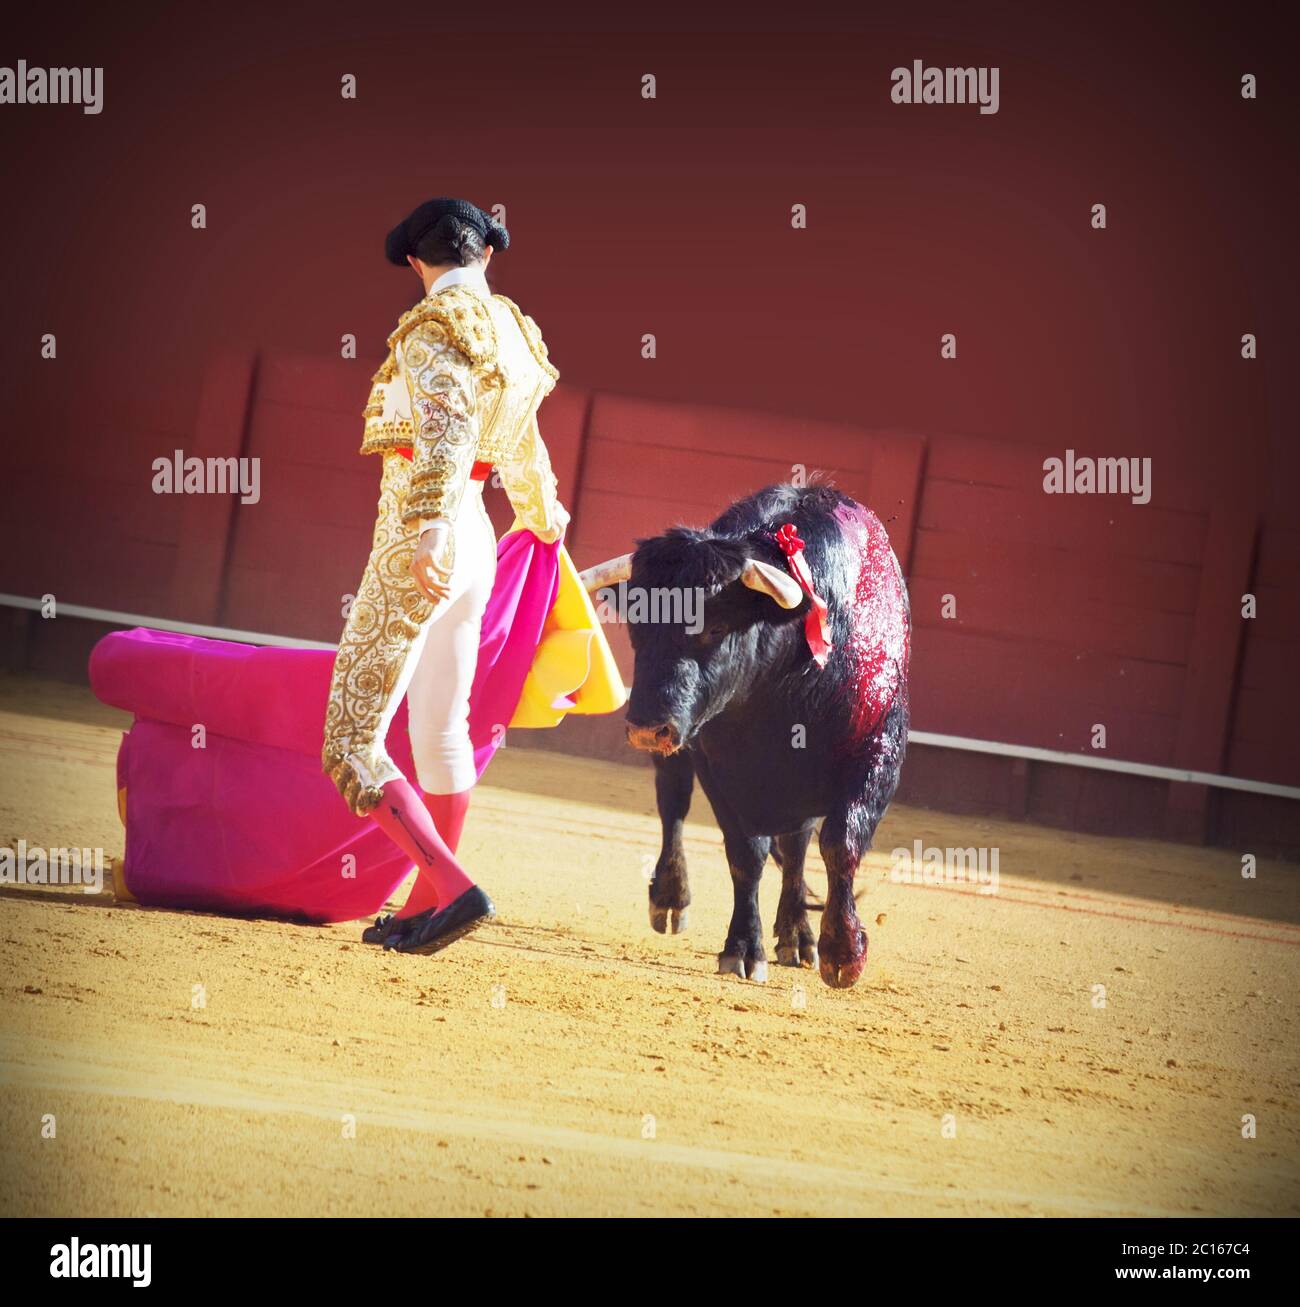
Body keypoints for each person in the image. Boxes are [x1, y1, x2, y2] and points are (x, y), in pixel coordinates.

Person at [322, 196, 572, 956]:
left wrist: (428, 527)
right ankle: (427, 901)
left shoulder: (433, 326)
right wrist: (543, 514)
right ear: (485, 255)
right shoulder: (516, 332)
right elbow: (522, 447)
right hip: (479, 537)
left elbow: (444, 429)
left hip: (421, 540)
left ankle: (451, 887)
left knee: (350, 742)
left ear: (414, 262)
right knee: (441, 729)